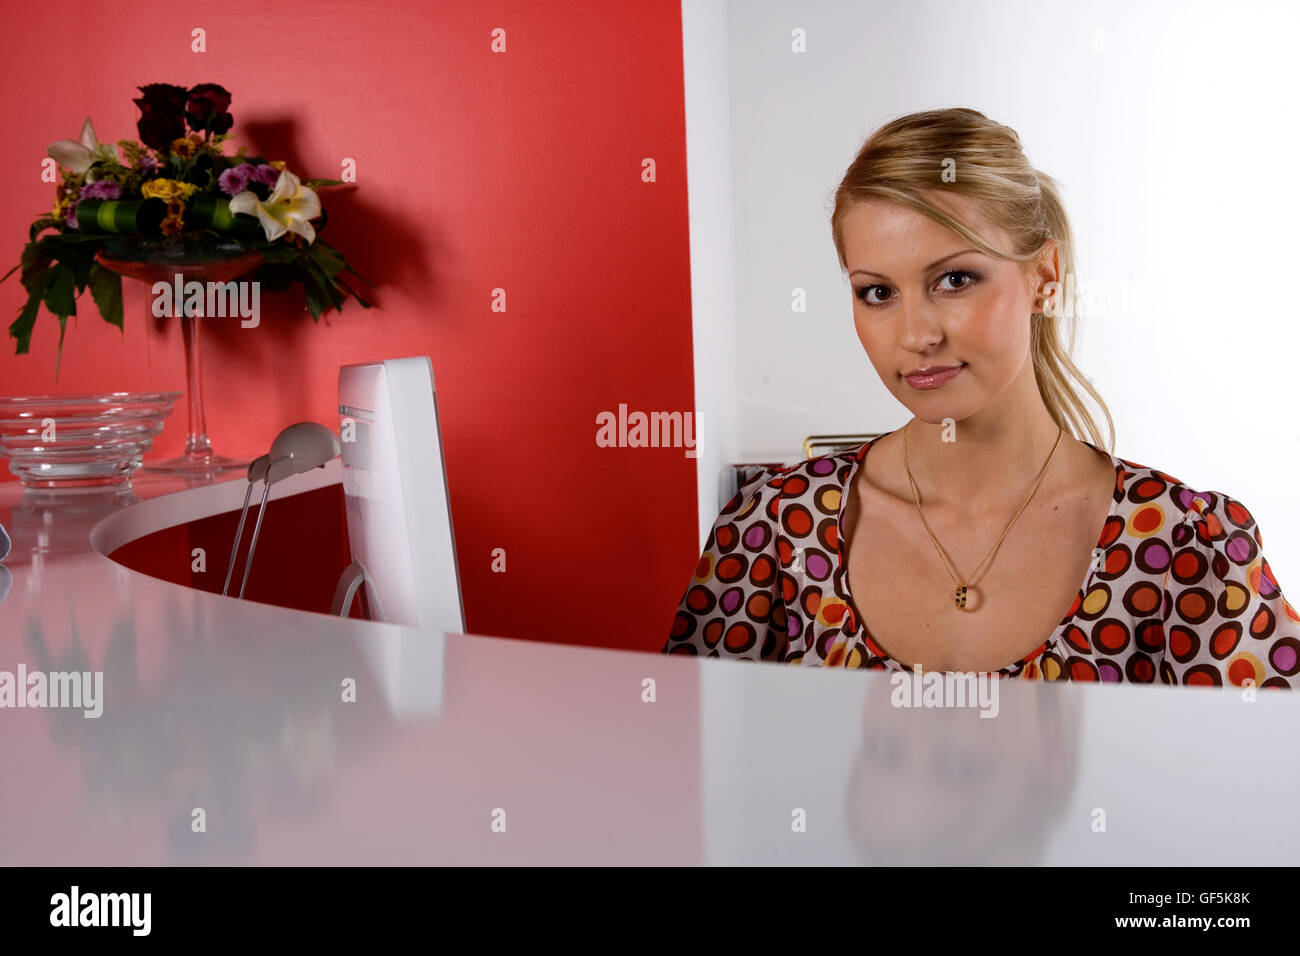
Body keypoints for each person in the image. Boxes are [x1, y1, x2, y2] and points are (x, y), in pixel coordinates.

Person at [663, 107, 1299, 687]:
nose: (916, 334)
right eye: (877, 292)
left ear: (1044, 278)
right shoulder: (770, 532)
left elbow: (1272, 786)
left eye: (955, 279)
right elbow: (685, 784)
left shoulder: (1187, 546)